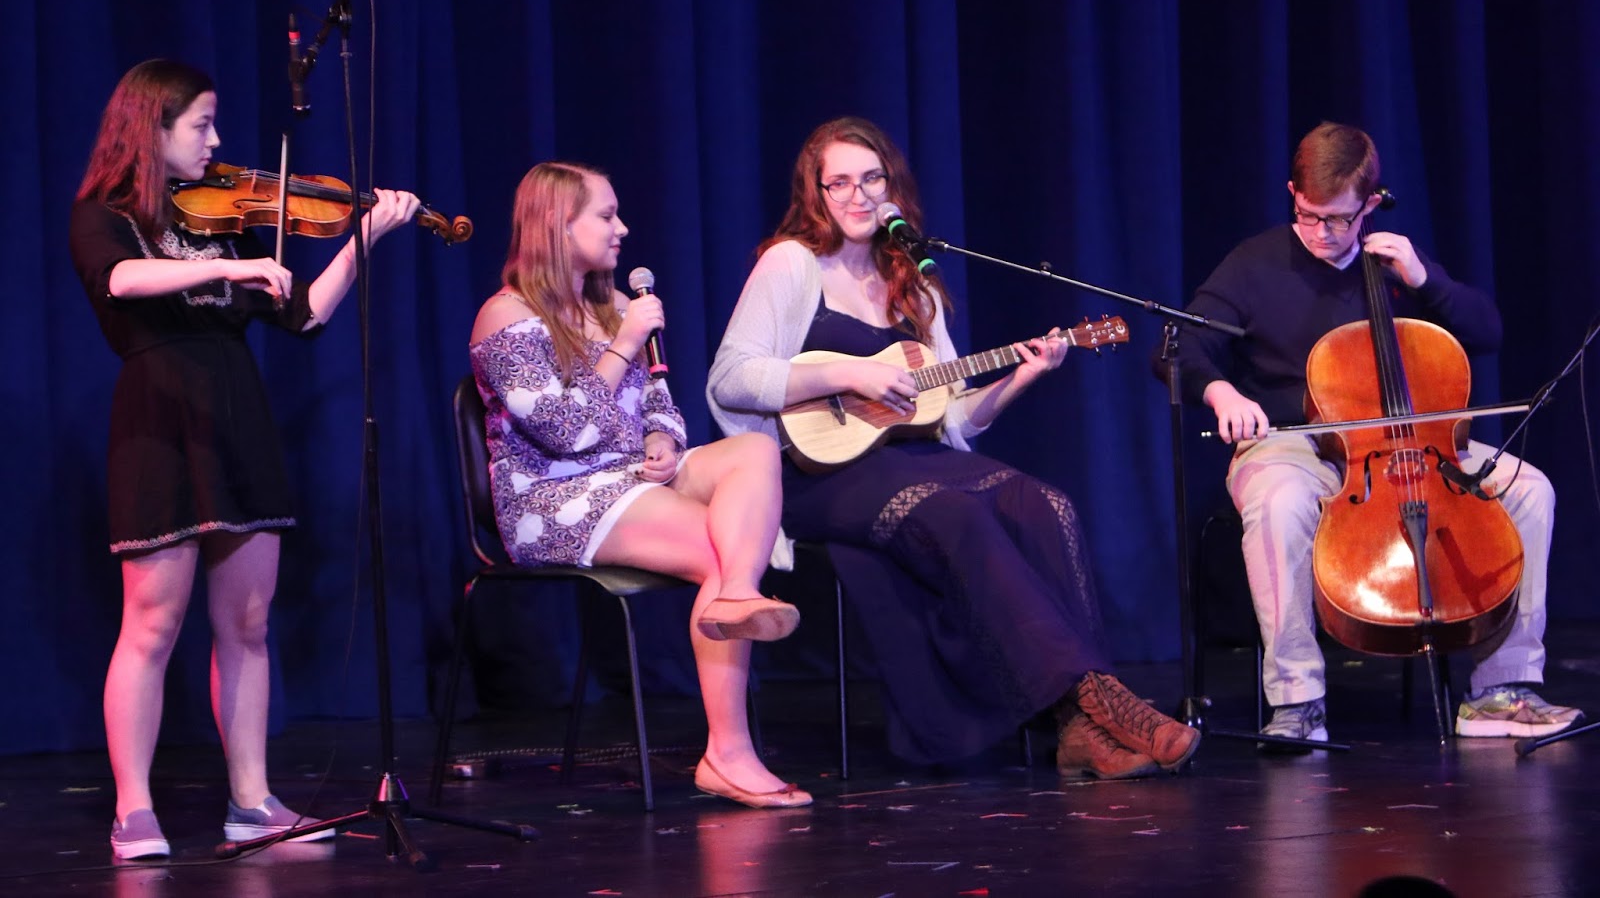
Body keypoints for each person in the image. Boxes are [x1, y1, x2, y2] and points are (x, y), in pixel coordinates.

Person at [706, 116, 1199, 780]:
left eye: (871, 179)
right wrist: (847, 374)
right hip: (814, 472)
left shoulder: (915, 279)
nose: (857, 196)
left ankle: (1080, 731)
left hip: (911, 458)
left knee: (1044, 505)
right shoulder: (791, 264)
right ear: (815, 193)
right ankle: (1098, 698)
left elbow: (953, 415)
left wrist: (1019, 379)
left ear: (893, 186)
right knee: (954, 512)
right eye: (839, 183)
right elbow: (731, 378)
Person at [68, 59, 424, 858]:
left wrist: (362, 239)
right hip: (159, 420)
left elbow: (304, 314)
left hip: (237, 416)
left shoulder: (222, 214)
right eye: (201, 124)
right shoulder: (102, 216)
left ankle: (253, 801)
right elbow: (120, 281)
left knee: (249, 623)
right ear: (151, 128)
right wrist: (229, 266)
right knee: (152, 623)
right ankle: (133, 809)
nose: (216, 140)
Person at [1166, 121, 1580, 745]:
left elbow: (1487, 332)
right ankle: (1298, 701)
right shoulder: (1253, 263)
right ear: (1293, 194)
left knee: (1530, 490)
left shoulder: (1391, 267)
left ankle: (1503, 689)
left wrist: (1426, 280)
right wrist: (1222, 392)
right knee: (1278, 501)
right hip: (1293, 441)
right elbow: (1180, 346)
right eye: (1310, 216)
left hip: (1411, 446)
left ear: (1369, 205)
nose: (1324, 233)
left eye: (1340, 219)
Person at [469, 160, 810, 809]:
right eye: (606, 215)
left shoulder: (615, 307)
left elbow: (659, 401)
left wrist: (663, 439)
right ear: (557, 224)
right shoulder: (505, 318)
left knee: (754, 451)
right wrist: (623, 343)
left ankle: (737, 594)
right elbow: (564, 432)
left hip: (630, 478)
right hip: (551, 498)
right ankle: (727, 754)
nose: (622, 228)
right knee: (718, 548)